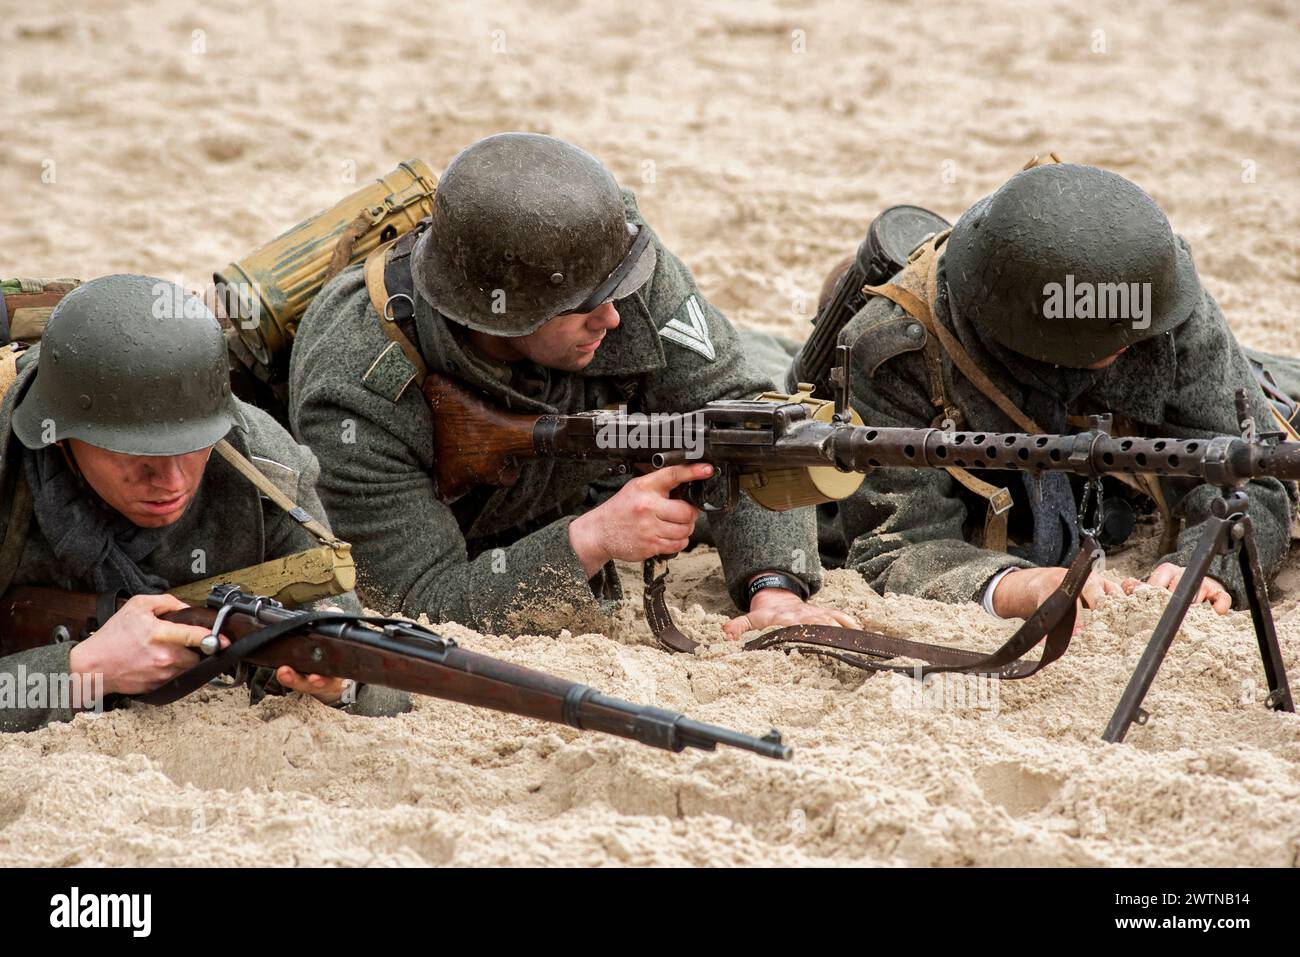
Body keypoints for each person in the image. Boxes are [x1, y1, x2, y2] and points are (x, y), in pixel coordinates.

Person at [290, 132, 855, 639]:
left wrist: (774, 589)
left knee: (775, 387)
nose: (613, 317)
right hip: (461, 527)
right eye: (583, 307)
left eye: (616, 291)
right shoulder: (357, 391)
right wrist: (591, 540)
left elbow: (735, 411)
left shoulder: (606, 253)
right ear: (501, 316)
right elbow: (417, 605)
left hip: (587, 472)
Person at [795, 162, 1295, 620]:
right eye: (1110, 336)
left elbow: (1252, 475)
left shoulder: (1156, 291)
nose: (1131, 341)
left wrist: (1206, 565)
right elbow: (893, 547)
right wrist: (1016, 586)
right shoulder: (893, 350)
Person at [0, 274, 408, 731]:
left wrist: (343, 686)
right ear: (58, 440)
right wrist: (80, 672)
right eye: (139, 457)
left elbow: (378, 676)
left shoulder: (263, 468)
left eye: (194, 446)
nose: (172, 482)